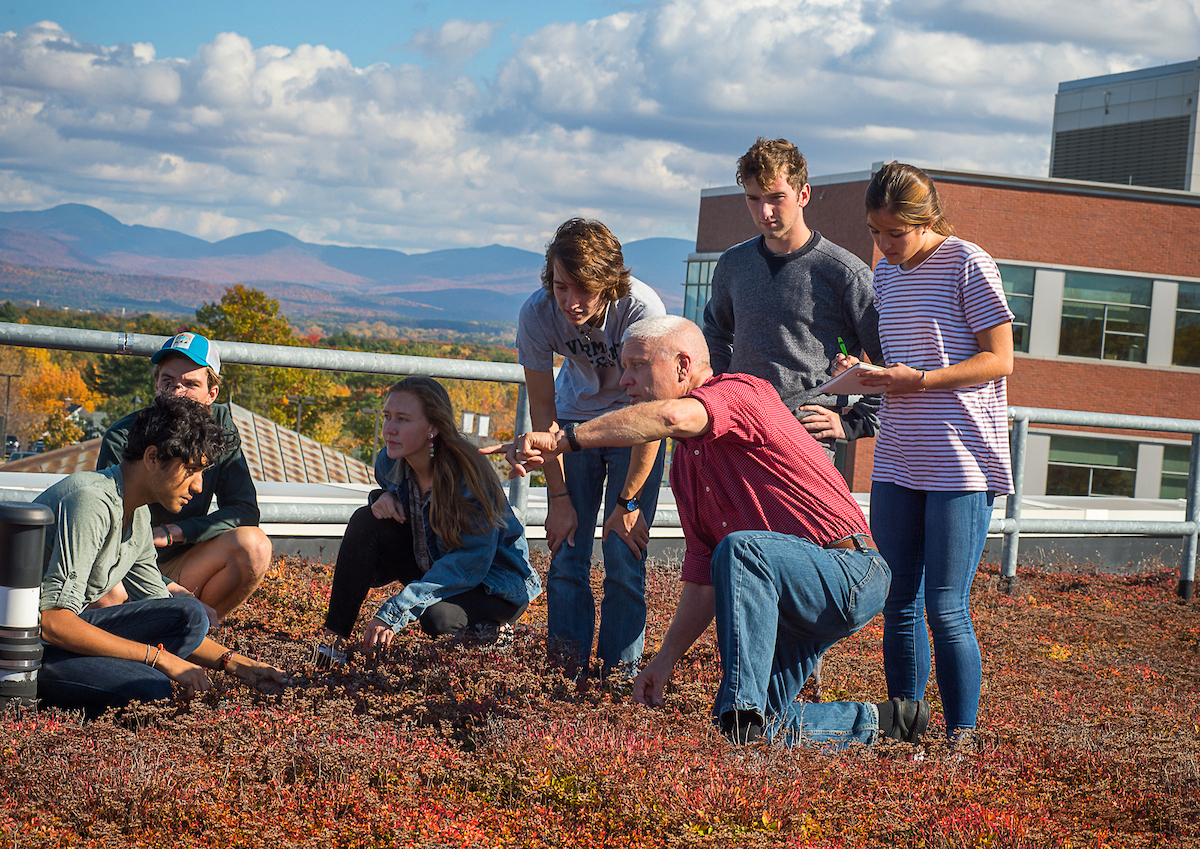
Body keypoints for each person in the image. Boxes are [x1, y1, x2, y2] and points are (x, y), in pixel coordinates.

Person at [489, 316, 928, 748]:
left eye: (637, 365)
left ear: (684, 365)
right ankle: (883, 722)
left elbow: (670, 416)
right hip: (788, 595)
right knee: (759, 731)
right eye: (623, 366)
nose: (623, 380)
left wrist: (564, 439)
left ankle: (740, 708)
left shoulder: (739, 392)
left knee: (741, 552)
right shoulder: (685, 469)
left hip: (849, 570)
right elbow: (702, 583)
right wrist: (663, 663)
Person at [841, 161, 1014, 740]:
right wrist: (864, 375)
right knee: (897, 602)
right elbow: (900, 360)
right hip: (898, 456)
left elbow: (1000, 360)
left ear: (926, 221)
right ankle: (903, 736)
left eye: (897, 233)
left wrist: (922, 379)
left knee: (945, 608)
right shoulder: (885, 276)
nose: (885, 246)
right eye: (876, 232)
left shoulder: (968, 262)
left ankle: (960, 739)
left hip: (961, 460)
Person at [35, 394, 284, 717]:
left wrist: (236, 663)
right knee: (151, 687)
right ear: (152, 457)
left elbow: (162, 610)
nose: (198, 487)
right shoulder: (91, 501)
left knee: (188, 615)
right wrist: (161, 659)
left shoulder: (137, 516)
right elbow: (52, 622)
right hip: (21, 648)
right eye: (192, 470)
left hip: (54, 641)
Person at [515, 218, 667, 677]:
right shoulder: (538, 312)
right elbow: (542, 412)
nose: (571, 302)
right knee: (567, 552)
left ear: (609, 283)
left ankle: (617, 682)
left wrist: (629, 501)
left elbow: (654, 416)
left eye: (583, 290)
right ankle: (565, 675)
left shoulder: (643, 311)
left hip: (633, 424)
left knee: (623, 553)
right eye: (562, 287)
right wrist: (558, 499)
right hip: (572, 421)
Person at [316, 377, 541, 663]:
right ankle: (332, 644)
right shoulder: (389, 461)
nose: (389, 429)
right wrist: (382, 497)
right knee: (365, 519)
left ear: (432, 428)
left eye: (403, 419)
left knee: (437, 618)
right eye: (387, 417)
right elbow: (391, 494)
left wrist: (396, 611)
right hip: (435, 564)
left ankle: (495, 633)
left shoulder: (469, 478)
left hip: (493, 586)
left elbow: (469, 564)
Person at [702, 137, 883, 451]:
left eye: (776, 197)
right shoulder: (733, 264)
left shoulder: (844, 273)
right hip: (737, 432)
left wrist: (855, 422)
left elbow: (888, 359)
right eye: (753, 198)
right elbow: (716, 334)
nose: (765, 211)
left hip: (806, 442)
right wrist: (721, 393)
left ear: (803, 195)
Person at [96, 332, 272, 622]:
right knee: (109, 593)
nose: (177, 392)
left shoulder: (221, 429)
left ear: (211, 394)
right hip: (126, 567)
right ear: (156, 384)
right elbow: (108, 541)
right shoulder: (123, 438)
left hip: (184, 559)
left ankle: (194, 635)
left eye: (190, 384)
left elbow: (244, 510)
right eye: (168, 382)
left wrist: (175, 533)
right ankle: (154, 640)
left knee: (254, 545)